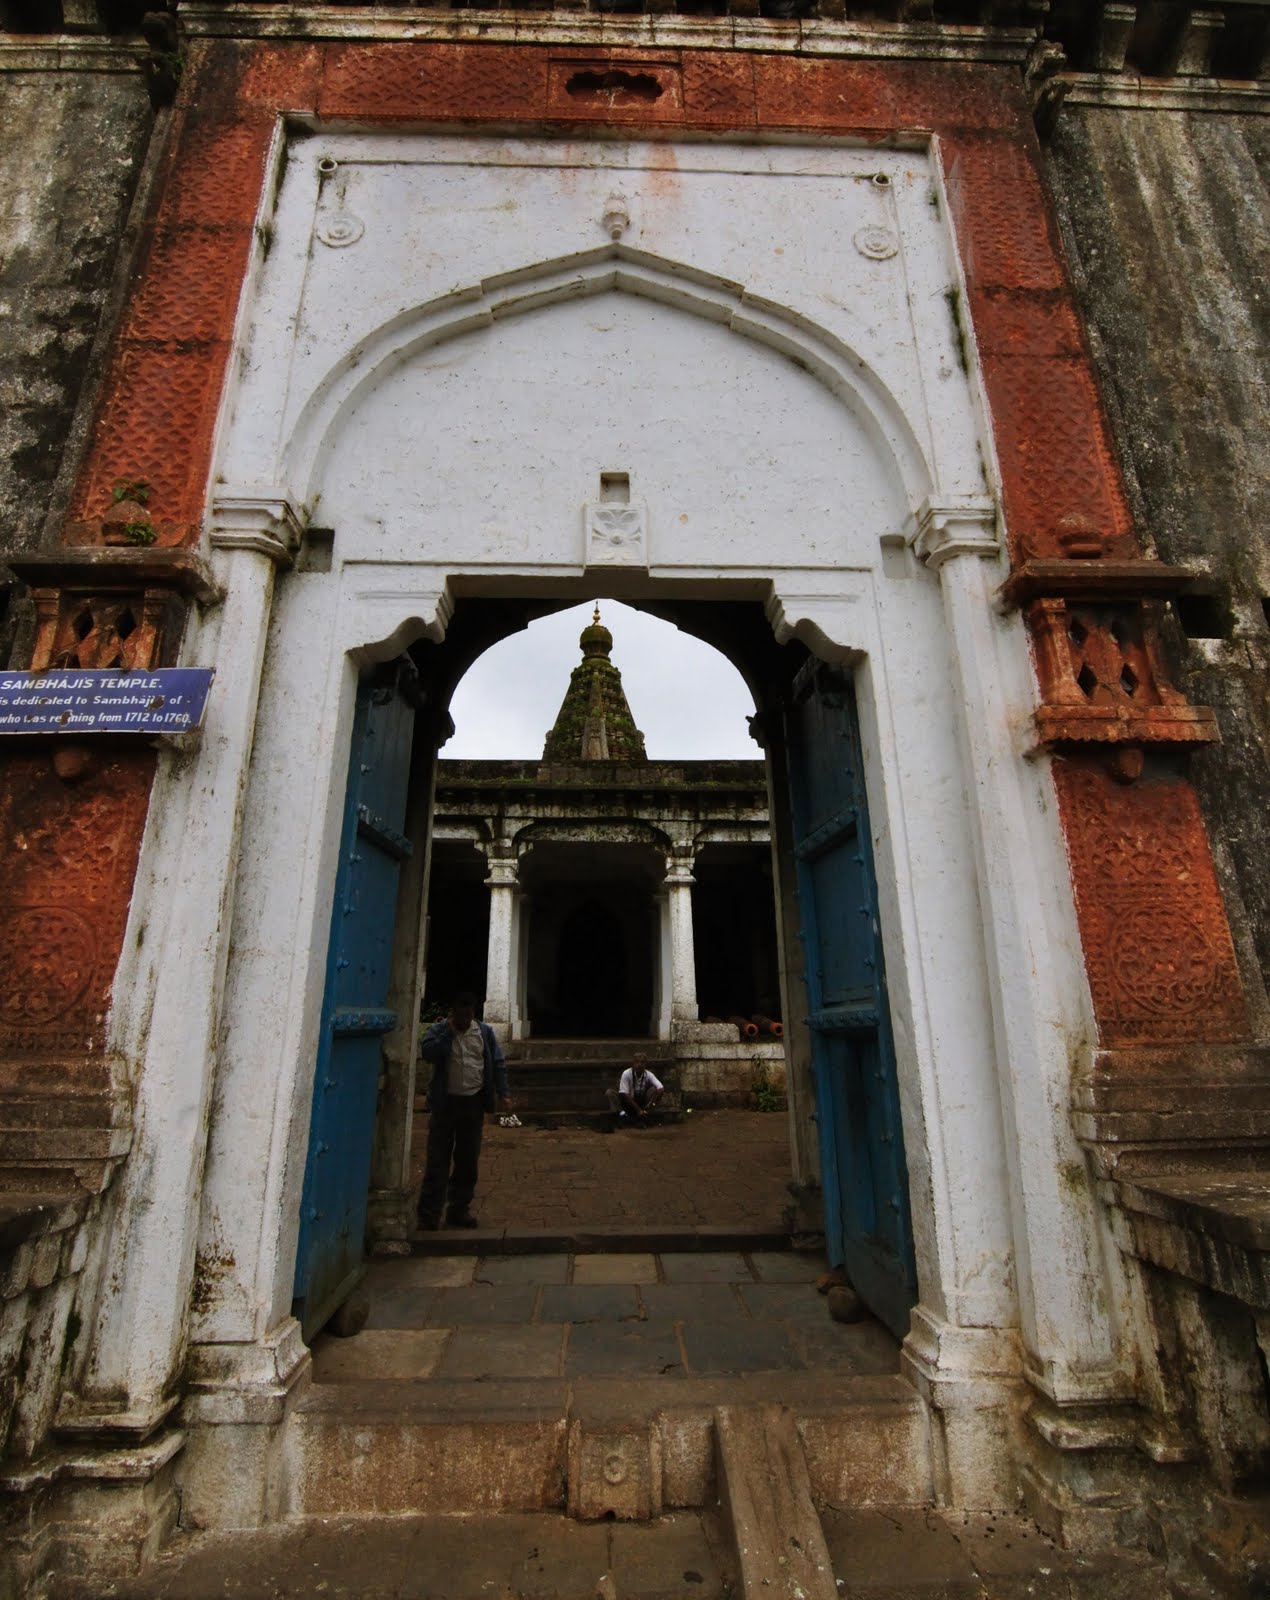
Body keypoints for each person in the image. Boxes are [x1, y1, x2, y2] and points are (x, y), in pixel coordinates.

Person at [416, 991, 511, 1229]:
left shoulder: (484, 1033)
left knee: (467, 1160)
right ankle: (429, 1213)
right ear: (453, 1014)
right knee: (437, 1159)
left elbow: (497, 1063)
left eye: (469, 1016)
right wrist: (448, 1034)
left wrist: (504, 1092)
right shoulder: (440, 1031)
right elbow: (428, 1053)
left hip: (473, 1102)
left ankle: (459, 1209)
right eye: (461, 1016)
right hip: (445, 1103)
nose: (465, 1021)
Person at [607, 1051, 664, 1126]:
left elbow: (661, 1088)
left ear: (645, 1064)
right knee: (610, 1092)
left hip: (641, 1101)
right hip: (627, 1102)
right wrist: (638, 1110)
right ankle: (622, 1115)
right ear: (633, 1063)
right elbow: (624, 1094)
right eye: (637, 1062)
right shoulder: (626, 1073)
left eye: (642, 1062)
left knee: (654, 1089)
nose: (639, 1065)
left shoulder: (648, 1074)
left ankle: (645, 1114)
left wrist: (651, 1106)